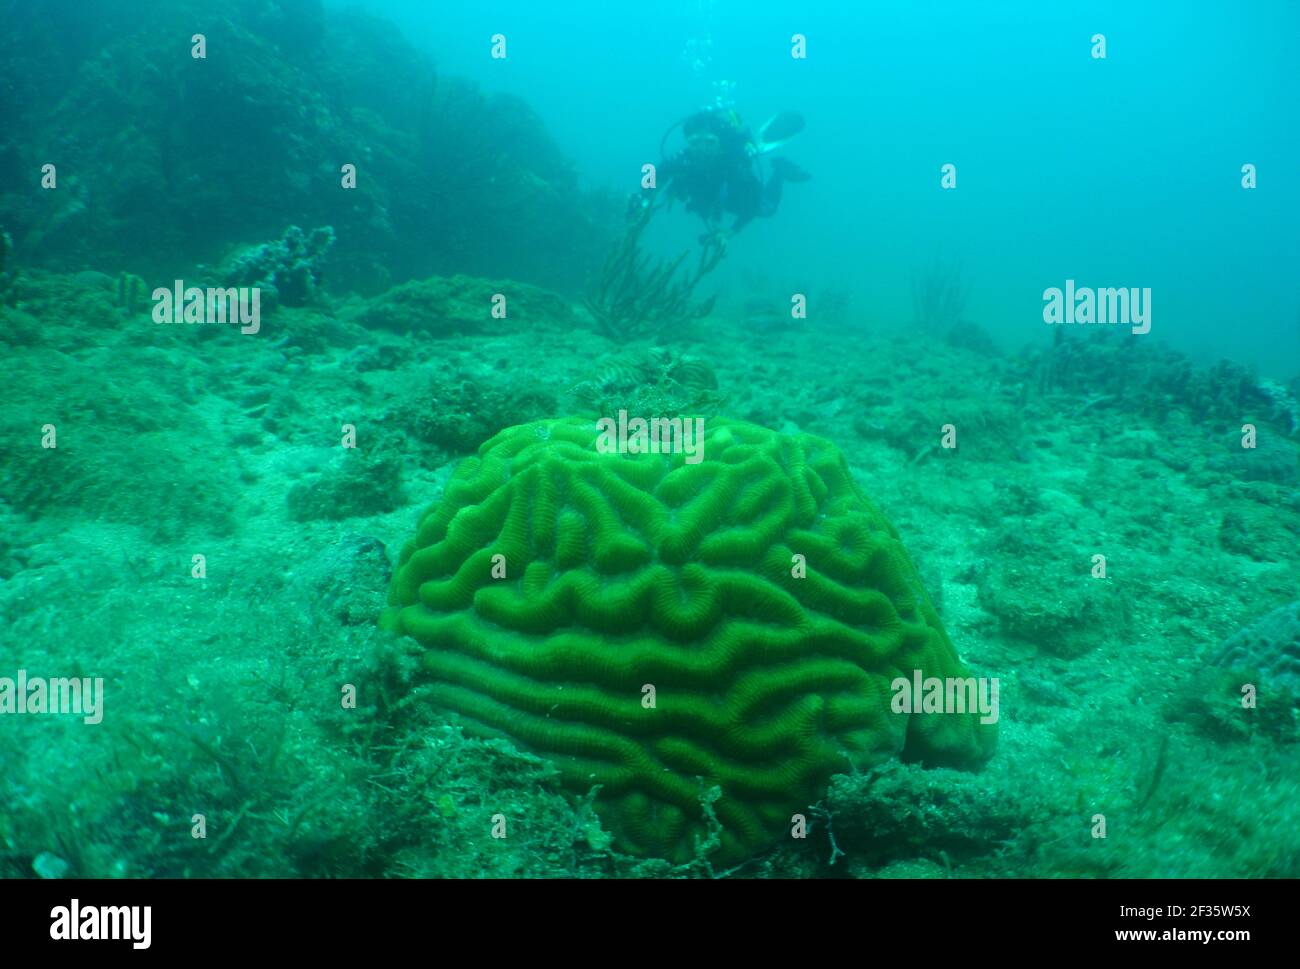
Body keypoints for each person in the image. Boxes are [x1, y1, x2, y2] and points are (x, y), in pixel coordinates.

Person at [655, 107, 809, 235]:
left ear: (719, 143)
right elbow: (653, 172)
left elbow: (753, 206)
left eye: (710, 142)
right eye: (694, 142)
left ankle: (780, 171)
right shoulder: (683, 159)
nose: (702, 149)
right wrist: (641, 197)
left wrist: (732, 231)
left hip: (734, 197)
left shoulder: (735, 165)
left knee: (767, 209)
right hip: (710, 198)